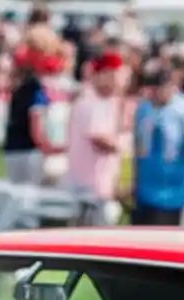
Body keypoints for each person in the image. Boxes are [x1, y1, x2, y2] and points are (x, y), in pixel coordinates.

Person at [131, 69, 184, 226]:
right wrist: (133, 180)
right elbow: (137, 148)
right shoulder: (144, 110)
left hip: (173, 186)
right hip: (146, 184)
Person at [65, 51, 124, 224]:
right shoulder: (89, 102)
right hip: (86, 187)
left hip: (100, 187)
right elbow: (99, 139)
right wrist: (124, 145)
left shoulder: (109, 102)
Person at [2, 51, 58, 185]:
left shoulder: (18, 92)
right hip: (29, 152)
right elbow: (36, 128)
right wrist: (49, 148)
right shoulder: (36, 92)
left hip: (12, 149)